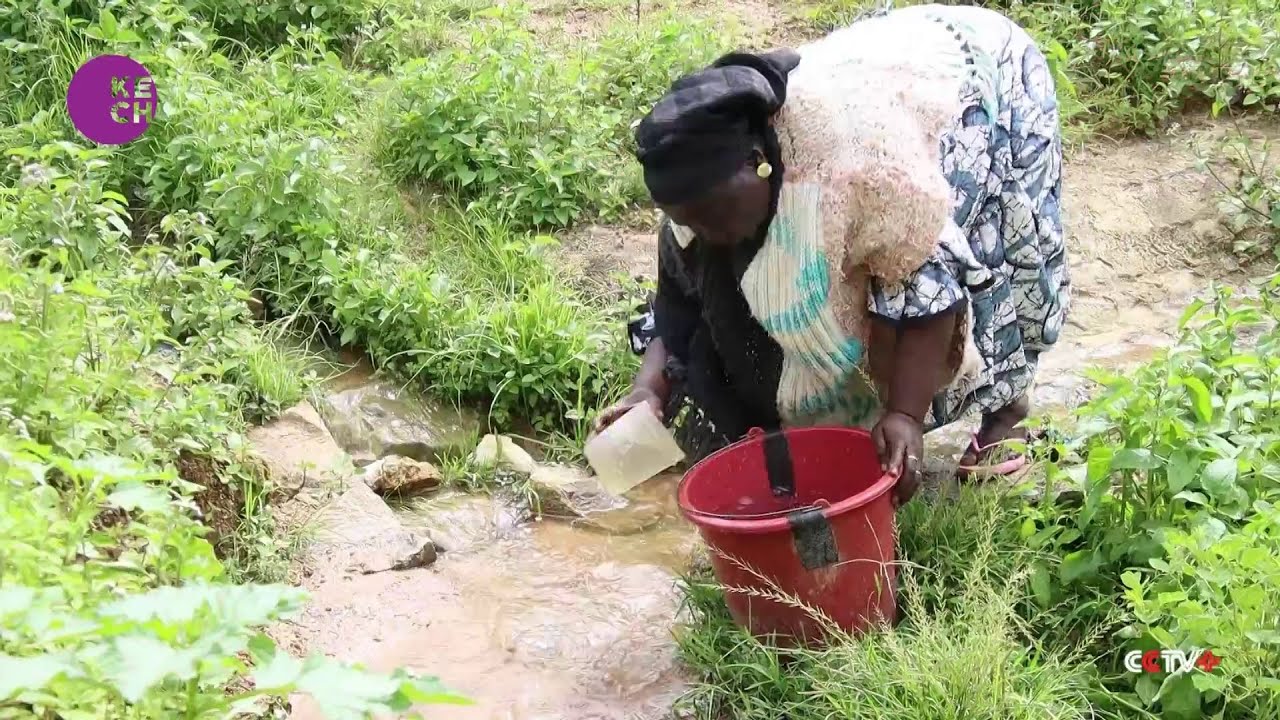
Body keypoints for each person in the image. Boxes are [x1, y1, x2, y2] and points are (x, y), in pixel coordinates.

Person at [594, 3, 1070, 504]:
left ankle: (1005, 415)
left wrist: (904, 415)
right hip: (858, 91)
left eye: (712, 216)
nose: (704, 231)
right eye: (688, 220)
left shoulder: (862, 172)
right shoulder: (699, 195)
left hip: (974, 76)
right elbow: (681, 303)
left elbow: (926, 287)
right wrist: (648, 390)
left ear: (757, 164)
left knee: (995, 248)